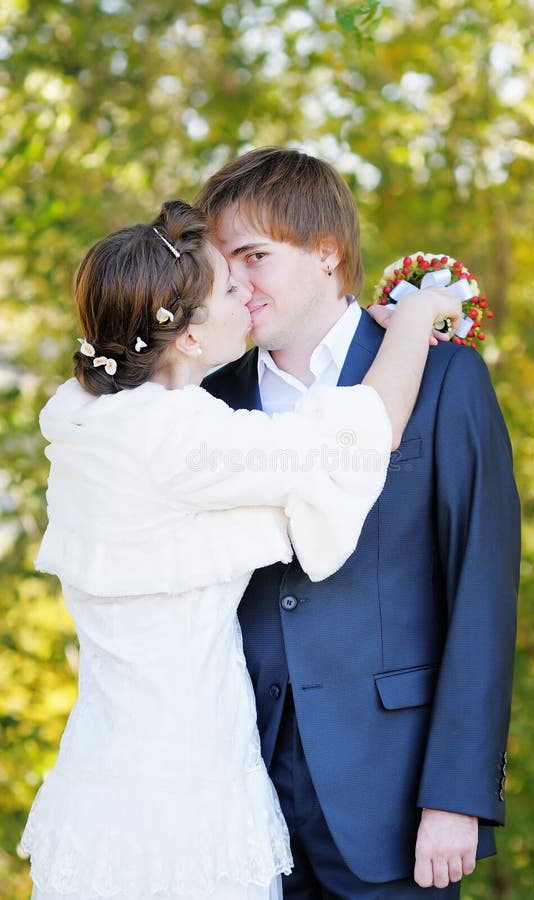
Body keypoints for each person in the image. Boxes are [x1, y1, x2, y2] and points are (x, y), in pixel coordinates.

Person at [21, 199, 463, 900]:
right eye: (230, 288)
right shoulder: (181, 436)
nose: (248, 293)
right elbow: (354, 435)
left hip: (109, 769)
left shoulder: (92, 421)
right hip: (183, 791)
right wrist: (414, 317)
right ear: (190, 337)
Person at [196, 147, 521, 899]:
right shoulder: (208, 403)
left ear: (327, 255)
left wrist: (458, 794)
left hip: (397, 801)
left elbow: (482, 589)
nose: (234, 283)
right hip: (239, 802)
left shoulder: (446, 379)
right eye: (223, 263)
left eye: (254, 255)